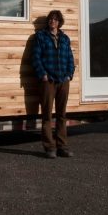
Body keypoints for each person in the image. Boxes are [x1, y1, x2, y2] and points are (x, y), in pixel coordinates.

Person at [32, 9, 75, 159]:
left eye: (56, 20)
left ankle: (62, 146)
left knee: (62, 115)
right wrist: (42, 74)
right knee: (47, 115)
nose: (53, 22)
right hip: (48, 81)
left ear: (59, 22)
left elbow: (70, 58)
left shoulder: (65, 38)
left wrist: (70, 74)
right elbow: (36, 58)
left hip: (63, 80)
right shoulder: (40, 36)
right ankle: (50, 147)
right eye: (51, 19)